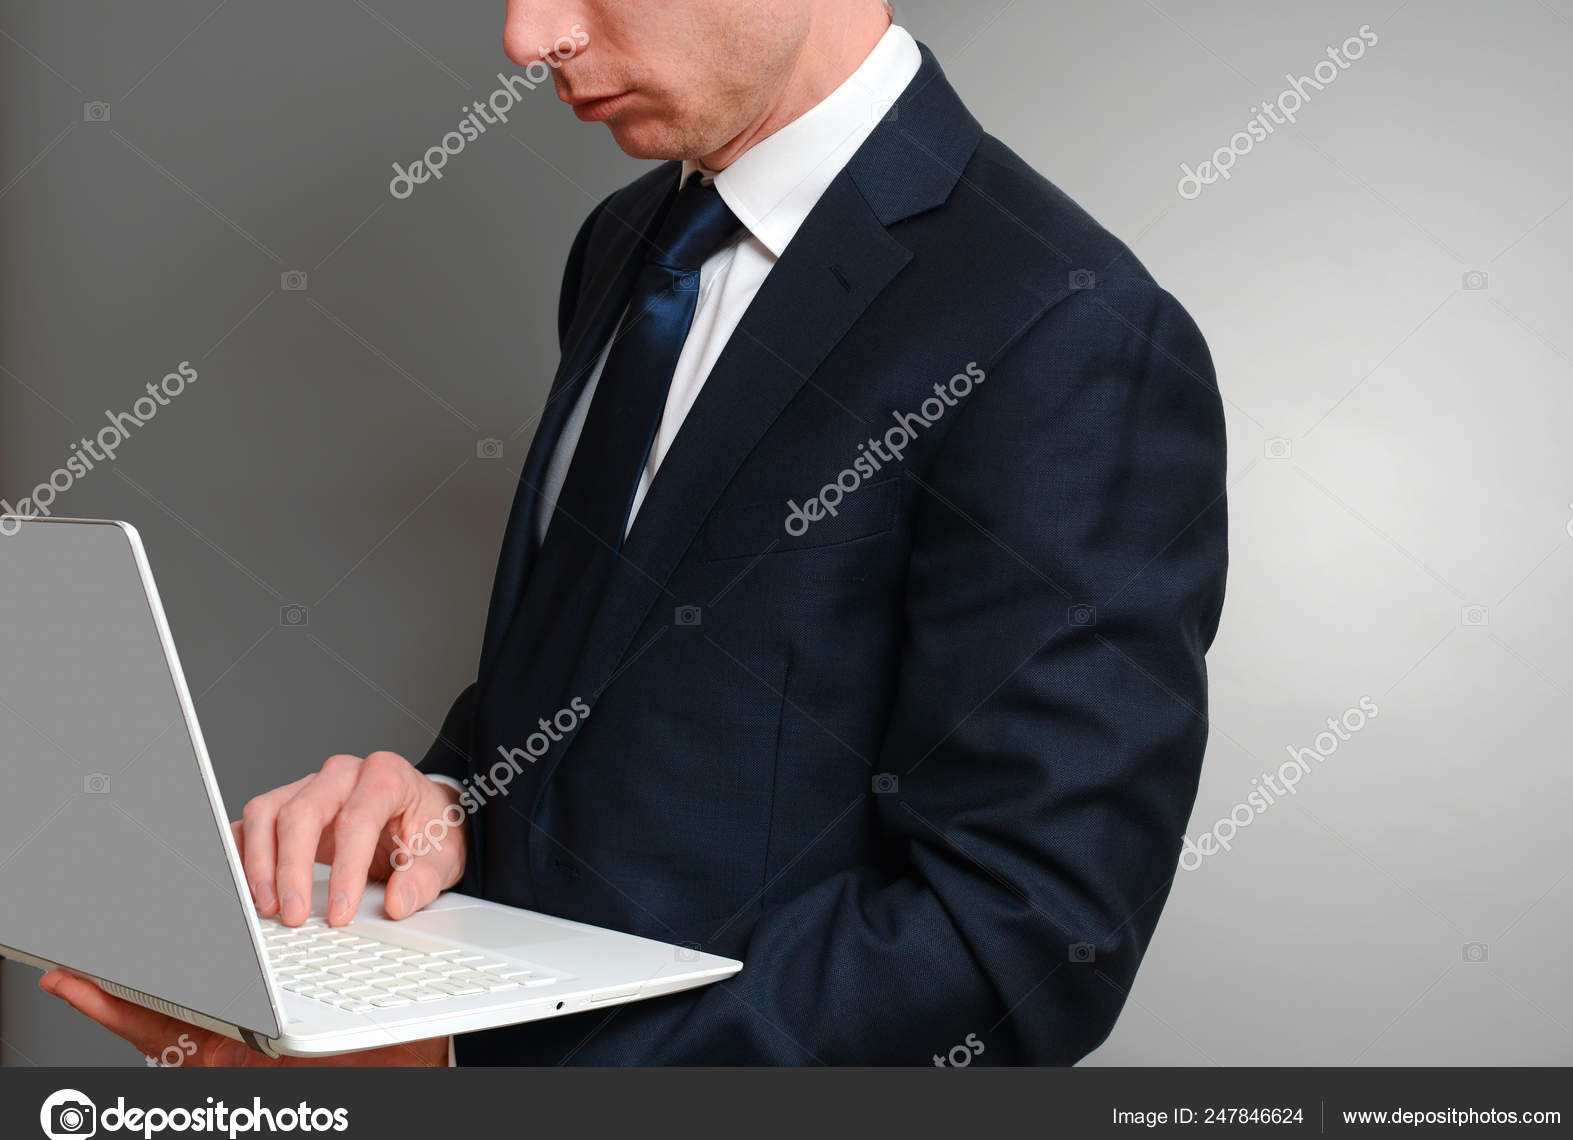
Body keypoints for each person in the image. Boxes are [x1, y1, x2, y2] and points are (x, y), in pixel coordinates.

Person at [43, 0, 1228, 1066]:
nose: (526, 37)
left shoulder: (1069, 332)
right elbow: (609, 663)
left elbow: (1018, 942)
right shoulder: (626, 242)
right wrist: (449, 799)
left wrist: (467, 1087)